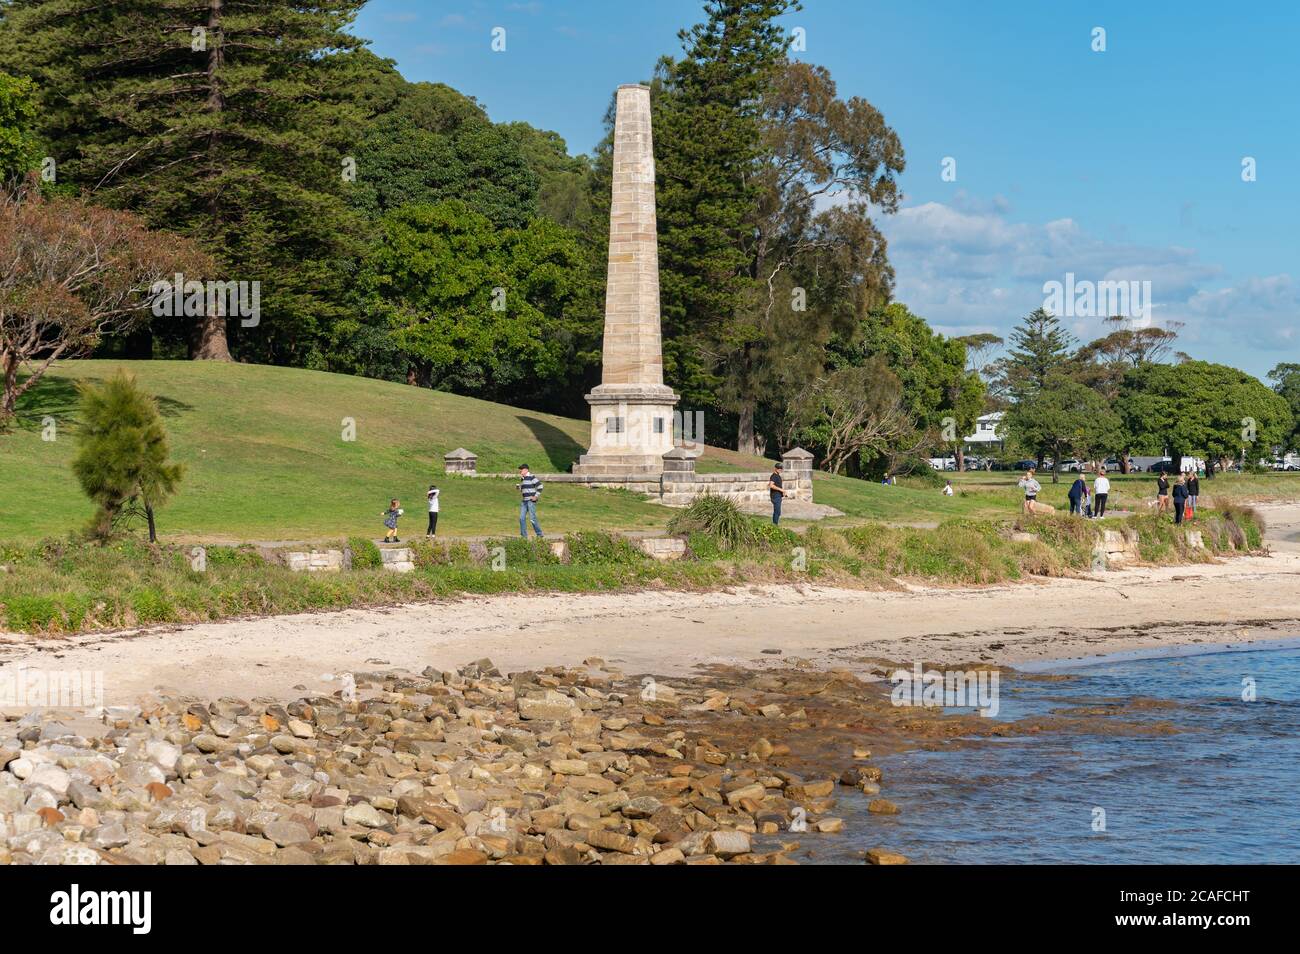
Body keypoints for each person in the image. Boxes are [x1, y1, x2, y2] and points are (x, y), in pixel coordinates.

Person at [517, 464, 543, 539]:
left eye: (521, 469)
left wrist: (536, 496)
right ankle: (524, 536)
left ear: (526, 470)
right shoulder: (523, 479)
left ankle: (539, 534)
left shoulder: (532, 477)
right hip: (524, 501)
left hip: (530, 501)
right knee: (521, 518)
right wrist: (519, 488)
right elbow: (524, 489)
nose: (520, 471)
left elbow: (540, 486)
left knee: (532, 518)